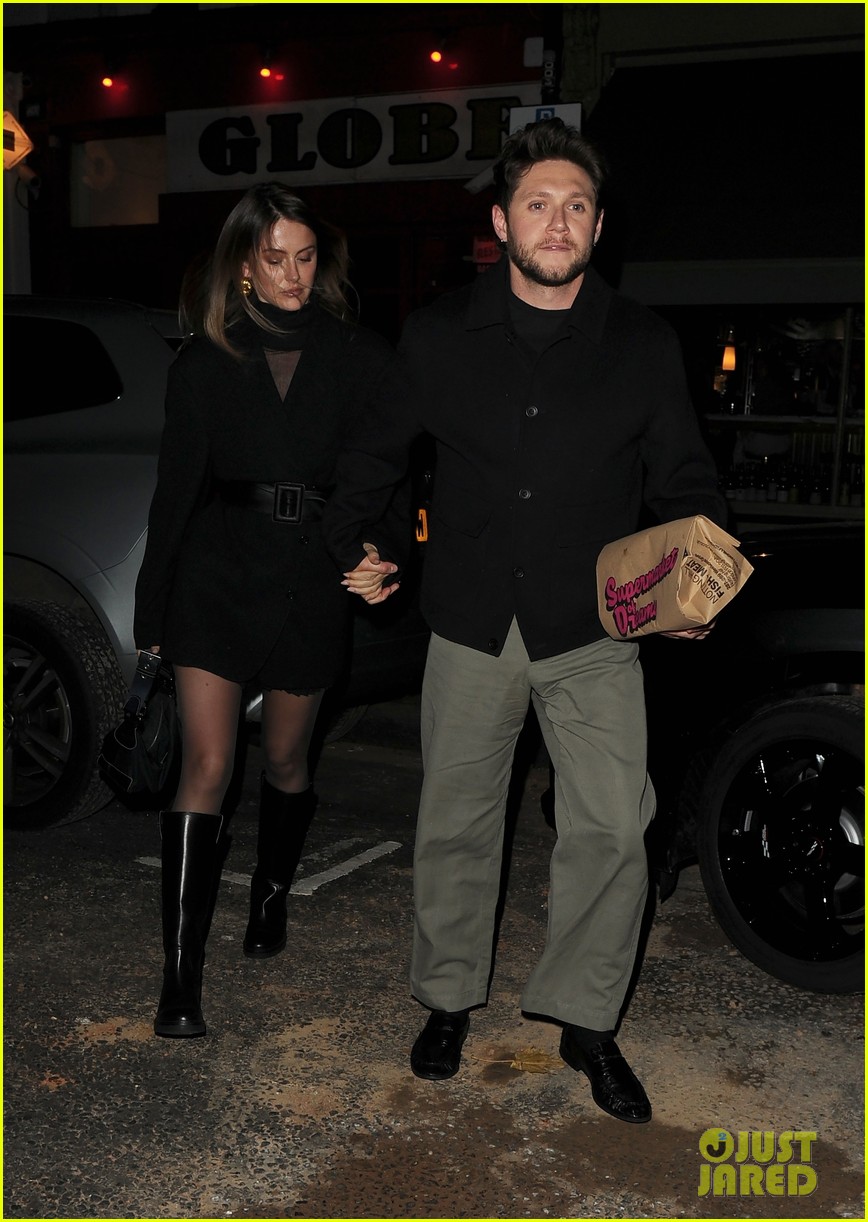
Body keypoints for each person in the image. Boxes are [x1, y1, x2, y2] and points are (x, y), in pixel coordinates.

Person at [326, 119, 727, 1123]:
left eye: (577, 206)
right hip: (471, 619)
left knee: (614, 827)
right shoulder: (438, 335)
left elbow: (685, 483)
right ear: (502, 223)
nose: (558, 222)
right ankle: (447, 999)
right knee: (455, 821)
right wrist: (362, 544)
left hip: (594, 627)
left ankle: (586, 1021)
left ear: (599, 226)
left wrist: (692, 590)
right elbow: (374, 460)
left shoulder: (641, 344)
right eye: (539, 204)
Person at [134, 182, 399, 1039]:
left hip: (312, 576)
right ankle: (180, 981)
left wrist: (382, 554)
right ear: (245, 264)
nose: (292, 274)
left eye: (306, 257)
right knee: (207, 766)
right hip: (216, 574)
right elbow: (175, 496)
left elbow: (384, 479)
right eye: (275, 258)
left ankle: (272, 896)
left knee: (285, 759)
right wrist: (152, 617)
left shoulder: (359, 358)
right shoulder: (205, 361)